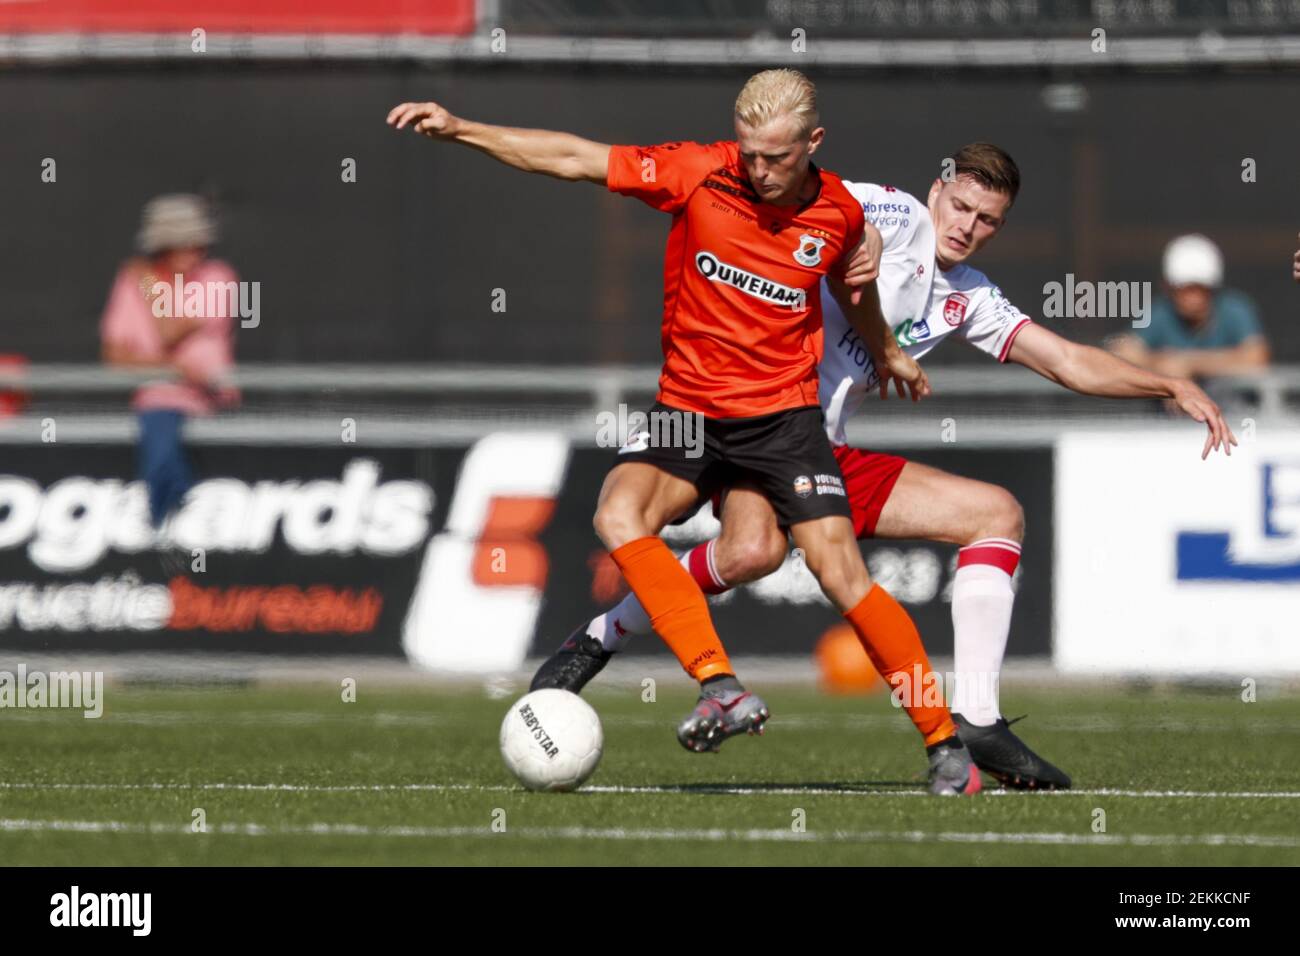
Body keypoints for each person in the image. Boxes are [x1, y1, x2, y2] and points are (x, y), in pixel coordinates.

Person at [532, 144, 1236, 790]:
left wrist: (1168, 384)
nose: (967, 226)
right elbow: (821, 213)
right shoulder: (890, 211)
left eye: (988, 219)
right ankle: (606, 636)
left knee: (990, 515)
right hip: (753, 410)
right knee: (743, 547)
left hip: (817, 446)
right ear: (938, 187)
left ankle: (978, 722)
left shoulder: (971, 296)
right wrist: (852, 239)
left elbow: (1065, 360)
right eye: (960, 205)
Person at [389, 69, 981, 795]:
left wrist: (885, 347)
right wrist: (462, 129)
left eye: (777, 157)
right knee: (619, 511)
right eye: (749, 153)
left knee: (838, 571)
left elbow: (851, 295)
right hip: (688, 409)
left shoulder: (838, 215)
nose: (758, 170)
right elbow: (575, 157)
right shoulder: (699, 171)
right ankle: (721, 686)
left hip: (782, 420)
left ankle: (946, 744)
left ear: (814, 143)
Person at [100, 194, 240, 531]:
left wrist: (147, 285)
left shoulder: (218, 277)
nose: (197, 252)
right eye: (187, 245)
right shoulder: (132, 282)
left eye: (199, 244)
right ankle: (169, 526)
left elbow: (169, 328)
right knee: (161, 457)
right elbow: (115, 357)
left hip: (212, 404)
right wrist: (171, 369)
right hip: (158, 404)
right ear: (163, 247)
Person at [1108, 233, 1269, 379]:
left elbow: (1256, 357)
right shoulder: (1159, 311)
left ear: (1211, 289)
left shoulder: (1234, 308)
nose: (1191, 297)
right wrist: (1160, 365)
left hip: (1231, 408)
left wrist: (1187, 363)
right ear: (1169, 288)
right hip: (1170, 411)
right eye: (1183, 289)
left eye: (1198, 288)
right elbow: (1122, 350)